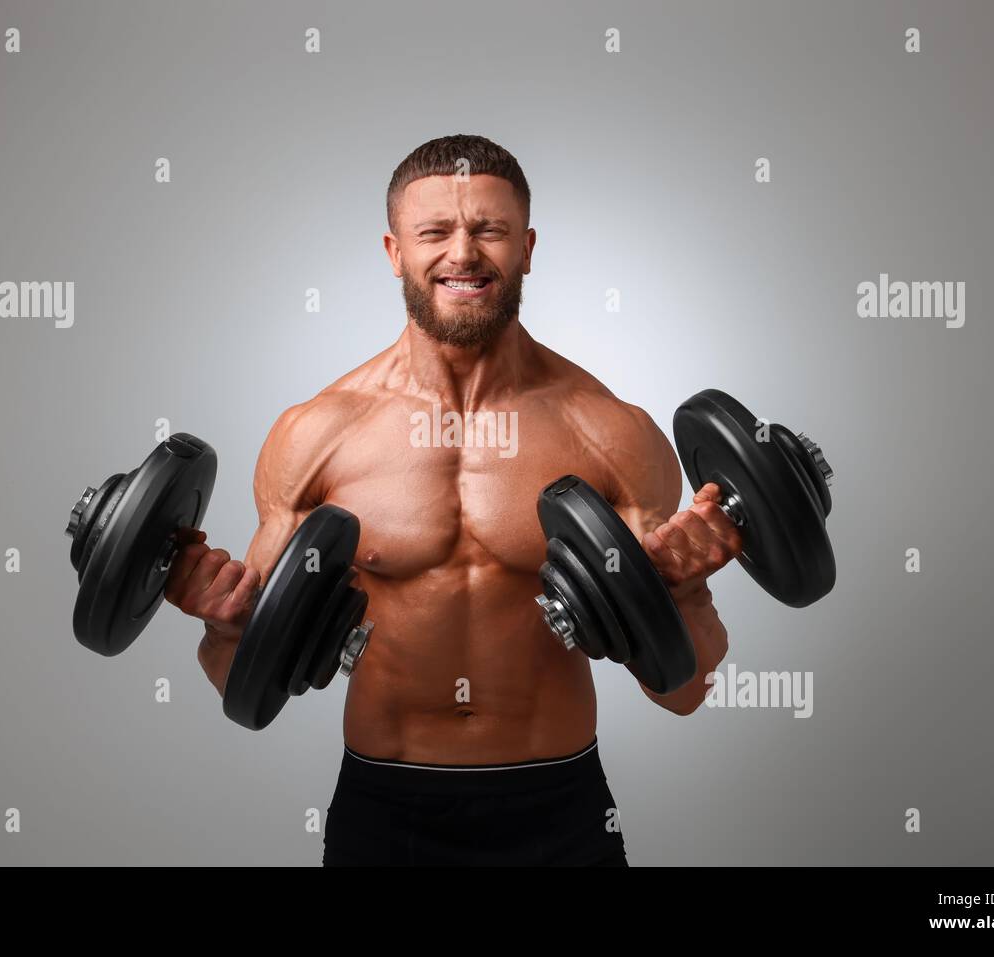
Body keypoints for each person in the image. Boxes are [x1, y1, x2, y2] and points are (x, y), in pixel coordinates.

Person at [162, 134, 742, 866]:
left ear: (528, 247)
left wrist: (687, 588)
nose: (462, 254)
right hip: (384, 804)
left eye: (489, 230)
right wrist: (221, 625)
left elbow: (684, 691)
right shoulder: (316, 434)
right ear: (393, 250)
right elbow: (244, 675)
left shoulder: (610, 433)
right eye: (434, 231)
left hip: (559, 804)